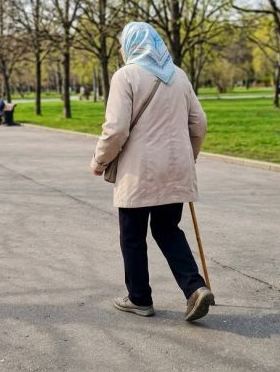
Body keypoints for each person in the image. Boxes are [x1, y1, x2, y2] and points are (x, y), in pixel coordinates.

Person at [90, 22, 212, 322]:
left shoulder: (126, 75)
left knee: (132, 236)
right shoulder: (179, 75)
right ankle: (195, 288)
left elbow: (116, 129)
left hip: (139, 173)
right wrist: (189, 157)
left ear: (130, 45)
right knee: (168, 230)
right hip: (175, 169)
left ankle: (139, 298)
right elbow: (199, 124)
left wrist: (99, 160)